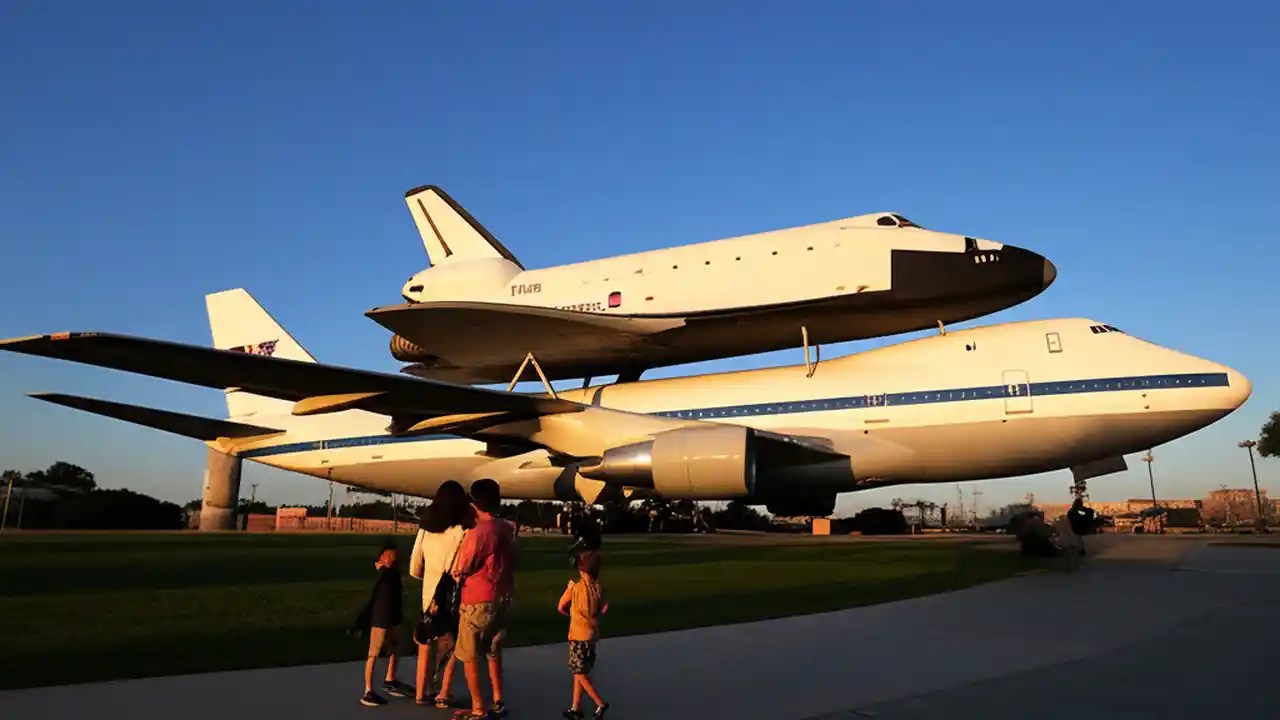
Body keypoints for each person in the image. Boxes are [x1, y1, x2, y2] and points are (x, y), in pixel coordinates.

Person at [451, 478, 517, 719]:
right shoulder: (507, 528)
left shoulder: (478, 533)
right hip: (503, 596)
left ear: (475, 502)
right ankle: (498, 698)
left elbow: (462, 568)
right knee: (493, 650)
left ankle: (478, 707)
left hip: (477, 599)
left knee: (469, 655)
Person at [409, 481, 471, 707]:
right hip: (453, 595)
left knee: (425, 642)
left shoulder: (426, 528)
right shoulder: (463, 530)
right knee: (450, 645)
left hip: (429, 594)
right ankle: (443, 692)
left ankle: (420, 693)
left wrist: (427, 577)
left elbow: (415, 565)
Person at [359, 539, 413, 706]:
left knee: (396, 648)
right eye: (388, 556)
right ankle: (368, 691)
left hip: (394, 617)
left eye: (394, 556)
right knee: (373, 653)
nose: (391, 559)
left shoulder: (394, 573)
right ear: (381, 558)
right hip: (381, 619)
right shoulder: (385, 574)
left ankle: (390, 679)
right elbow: (374, 597)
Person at [557, 550, 610, 719]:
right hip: (592, 636)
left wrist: (571, 614)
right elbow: (605, 607)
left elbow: (560, 606)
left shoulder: (575, 587)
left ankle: (599, 703)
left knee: (579, 673)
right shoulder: (598, 587)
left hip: (578, 636)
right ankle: (575, 708)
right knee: (581, 672)